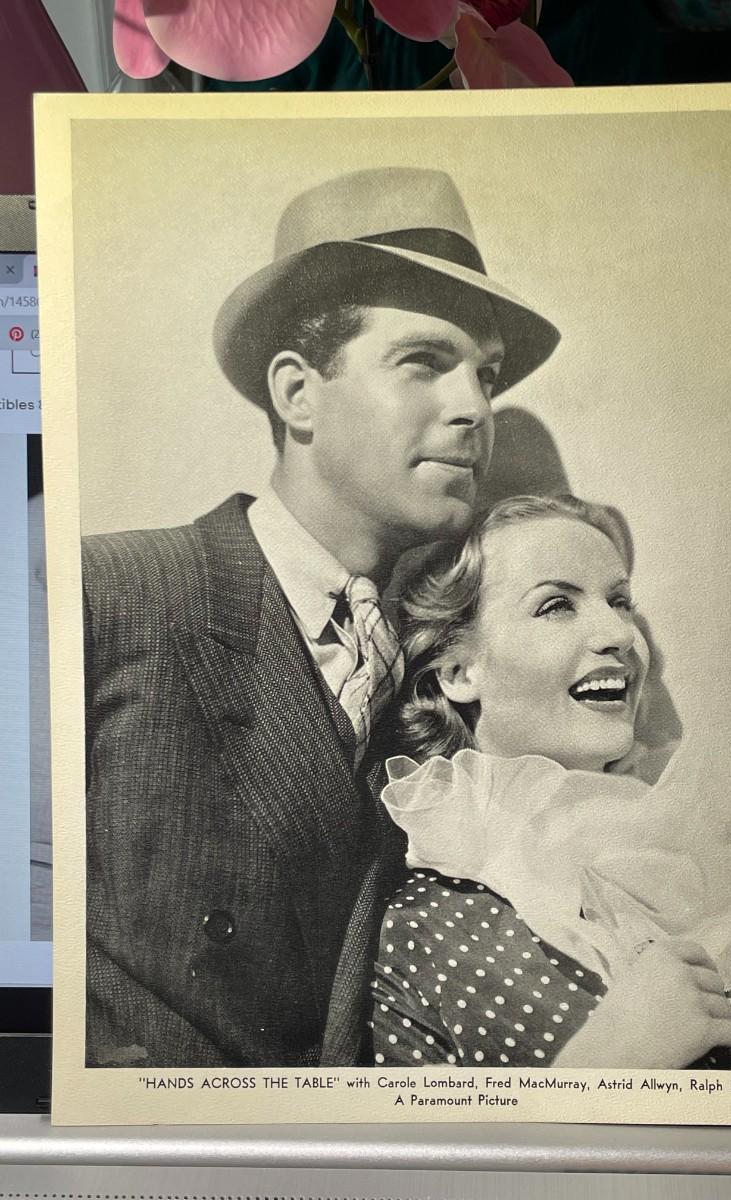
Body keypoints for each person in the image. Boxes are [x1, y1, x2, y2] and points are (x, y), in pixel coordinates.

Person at [82, 168, 560, 1069]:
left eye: (485, 374)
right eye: (424, 361)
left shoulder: (451, 685)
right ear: (298, 394)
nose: (475, 408)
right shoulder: (108, 592)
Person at [371, 494, 731, 1069]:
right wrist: (610, 1060)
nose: (619, 632)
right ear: (460, 671)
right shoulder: (423, 926)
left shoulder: (717, 862)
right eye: (557, 605)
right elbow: (413, 1156)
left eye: (620, 602)